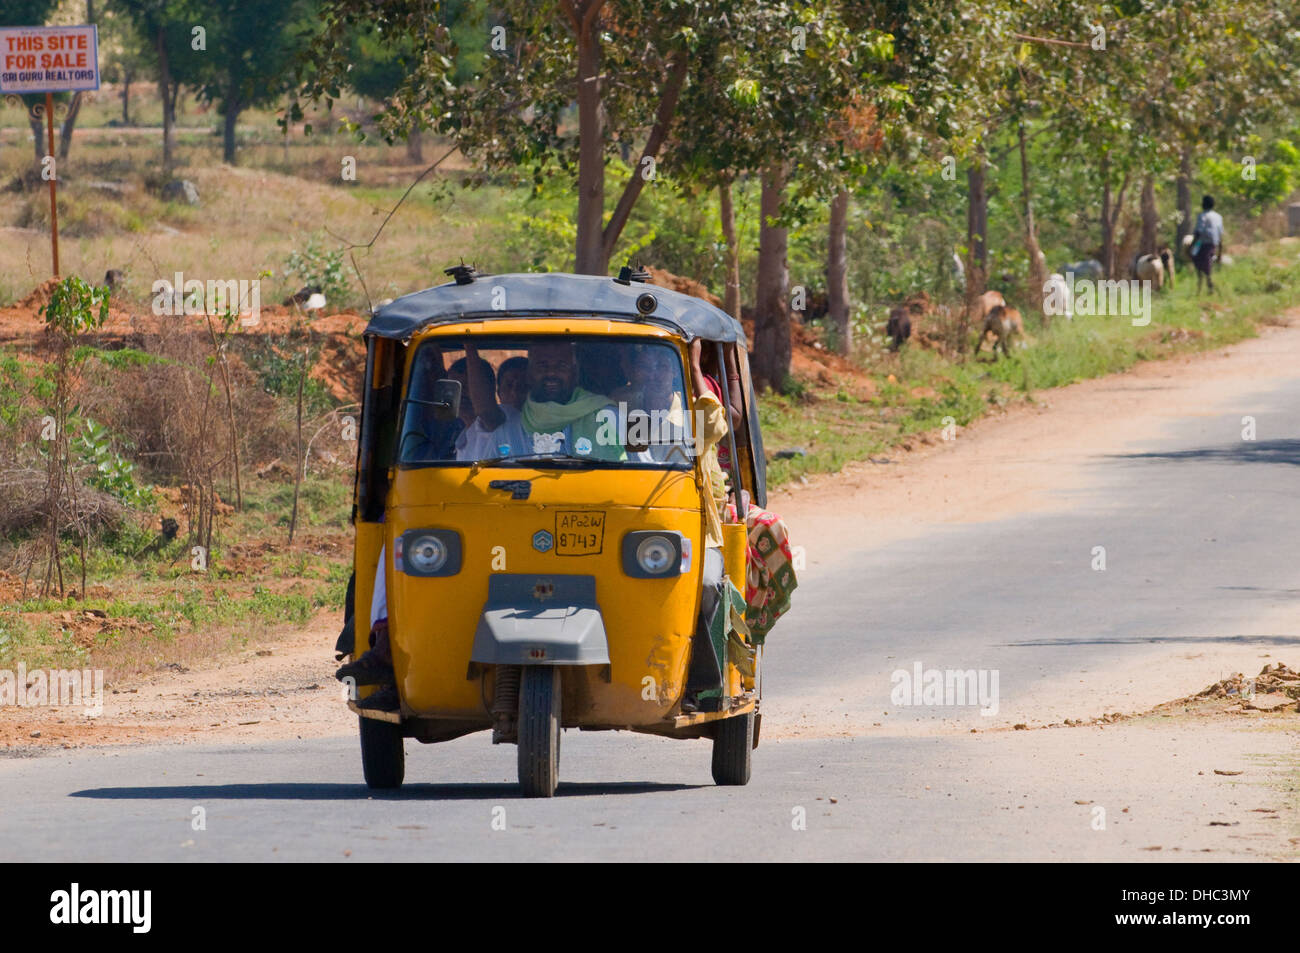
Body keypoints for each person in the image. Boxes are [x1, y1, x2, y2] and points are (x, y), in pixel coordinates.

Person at [519, 339, 624, 460]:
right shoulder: (514, 421)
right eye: (542, 366)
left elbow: (640, 467)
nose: (551, 373)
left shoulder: (606, 416)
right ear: (528, 374)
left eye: (561, 366)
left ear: (575, 373)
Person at [1191, 194, 1224, 295]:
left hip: (1202, 243)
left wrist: (1192, 244)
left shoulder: (1202, 216)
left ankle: (1206, 282)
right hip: (1214, 244)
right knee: (1207, 262)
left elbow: (1199, 231)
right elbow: (1220, 234)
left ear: (1203, 204)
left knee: (1194, 256)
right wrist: (1220, 250)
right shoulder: (1218, 216)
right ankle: (1206, 281)